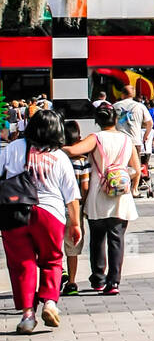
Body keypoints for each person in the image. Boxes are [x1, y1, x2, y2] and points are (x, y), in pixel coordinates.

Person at [0, 109, 82, 333]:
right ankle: (49, 303)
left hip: (14, 212)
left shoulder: (14, 148)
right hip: (49, 213)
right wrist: (75, 223)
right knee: (52, 260)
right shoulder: (59, 156)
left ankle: (27, 316)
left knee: (22, 264)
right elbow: (71, 195)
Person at [64, 104, 140, 295]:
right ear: (115, 119)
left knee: (97, 238)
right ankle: (113, 282)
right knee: (117, 239)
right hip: (121, 195)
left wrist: (54, 148)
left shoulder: (95, 138)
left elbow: (73, 151)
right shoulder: (126, 140)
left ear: (97, 121)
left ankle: (98, 278)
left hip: (97, 195)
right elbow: (136, 169)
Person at [60, 119, 90, 299]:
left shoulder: (57, 158)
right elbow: (85, 187)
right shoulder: (82, 162)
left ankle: (59, 271)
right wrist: (83, 205)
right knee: (72, 247)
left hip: (56, 207)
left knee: (54, 244)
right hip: (75, 208)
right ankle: (71, 282)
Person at [113, 83, 153, 152]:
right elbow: (150, 123)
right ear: (133, 94)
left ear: (122, 94)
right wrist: (145, 136)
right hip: (135, 141)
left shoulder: (115, 106)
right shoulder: (140, 106)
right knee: (135, 162)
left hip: (119, 142)